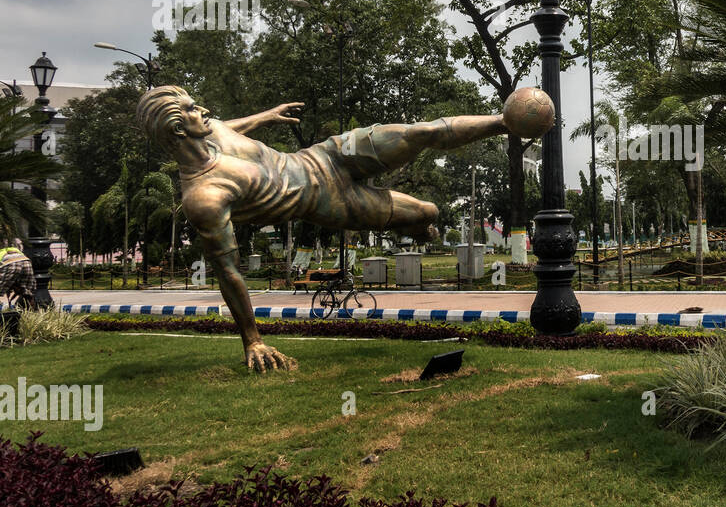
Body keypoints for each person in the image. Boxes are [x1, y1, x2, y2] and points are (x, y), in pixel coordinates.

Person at [137, 85, 547, 372]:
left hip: (330, 154)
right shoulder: (204, 197)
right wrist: (253, 340)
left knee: (421, 132)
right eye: (192, 110)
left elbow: (234, 126)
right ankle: (422, 226)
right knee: (427, 210)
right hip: (328, 203)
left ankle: (506, 120)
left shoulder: (212, 130)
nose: (203, 111)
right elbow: (229, 272)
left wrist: (268, 115)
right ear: (177, 130)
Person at [0, 244, 36, 310]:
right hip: (26, 261)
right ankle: (32, 312)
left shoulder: (2, 254)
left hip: (9, 262)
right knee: (28, 292)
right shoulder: (10, 250)